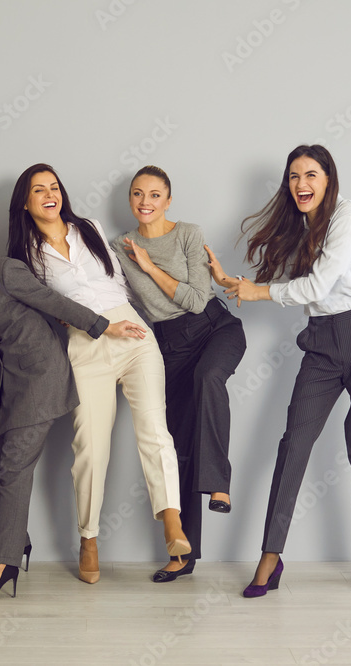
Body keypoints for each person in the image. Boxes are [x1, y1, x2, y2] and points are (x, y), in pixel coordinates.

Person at [0, 207, 146, 600]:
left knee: (13, 466)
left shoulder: (0, 268)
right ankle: (18, 542)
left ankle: (2, 563)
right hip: (3, 378)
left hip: (39, 374)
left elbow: (50, 301)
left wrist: (103, 325)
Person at [0, 163, 187, 584]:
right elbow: (39, 309)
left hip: (132, 332)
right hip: (84, 344)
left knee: (155, 430)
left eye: (54, 186)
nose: (50, 194)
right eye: (38, 190)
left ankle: (171, 520)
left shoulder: (90, 228)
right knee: (90, 446)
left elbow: (120, 281)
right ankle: (89, 537)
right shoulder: (22, 256)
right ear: (25, 204)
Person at [216, 145, 351, 596]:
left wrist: (259, 294)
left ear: (329, 179)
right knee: (293, 444)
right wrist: (235, 285)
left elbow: (318, 285)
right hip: (321, 343)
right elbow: (278, 284)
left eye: (310, 175)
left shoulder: (347, 215)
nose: (301, 185)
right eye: (293, 177)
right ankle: (271, 557)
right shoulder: (298, 229)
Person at [112, 166, 247, 582]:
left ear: (168, 200)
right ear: (130, 200)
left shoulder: (188, 232)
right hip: (170, 347)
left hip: (214, 328)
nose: (145, 202)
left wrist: (149, 267)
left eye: (155, 195)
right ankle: (182, 554)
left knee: (209, 380)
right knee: (177, 447)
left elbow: (194, 299)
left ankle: (219, 483)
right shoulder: (120, 248)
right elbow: (115, 294)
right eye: (138, 194)